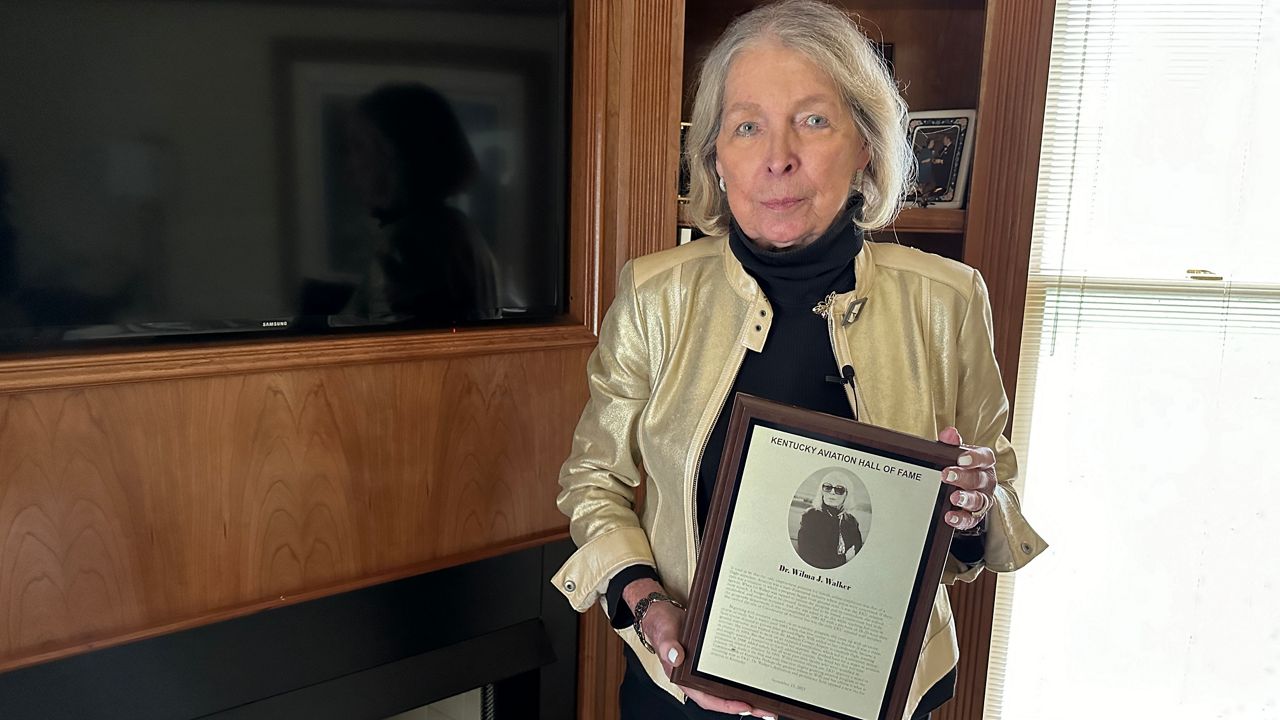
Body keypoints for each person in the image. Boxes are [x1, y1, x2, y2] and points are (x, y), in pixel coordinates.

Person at [551, 1, 1047, 718]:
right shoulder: (654, 296)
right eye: (747, 126)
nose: (777, 156)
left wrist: (972, 507)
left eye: (813, 120)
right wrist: (647, 602)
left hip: (879, 693)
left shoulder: (949, 300)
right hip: (686, 686)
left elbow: (993, 486)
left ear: (867, 145)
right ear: (715, 157)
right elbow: (593, 481)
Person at [340, 83, 498, 325]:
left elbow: (397, 350)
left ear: (394, 154)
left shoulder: (405, 243)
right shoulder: (459, 228)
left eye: (359, 147)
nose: (350, 165)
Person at [795, 472, 864, 569]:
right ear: (822, 492)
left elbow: (858, 553)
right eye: (827, 487)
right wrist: (844, 559)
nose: (832, 492)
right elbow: (808, 556)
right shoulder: (810, 516)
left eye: (839, 489)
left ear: (846, 495)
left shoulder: (851, 521)